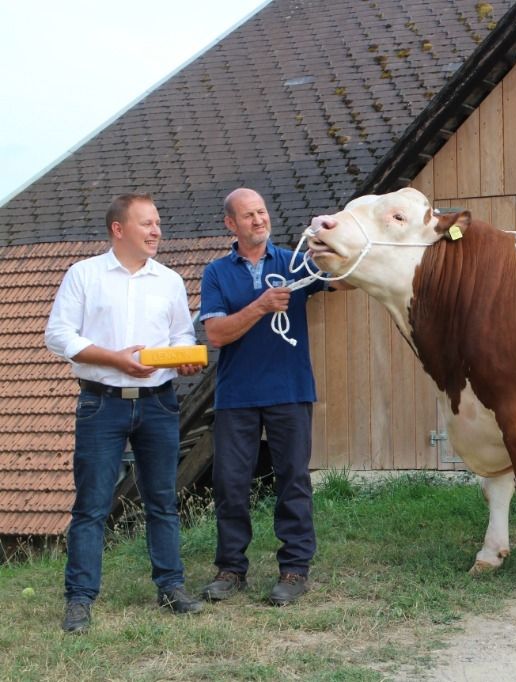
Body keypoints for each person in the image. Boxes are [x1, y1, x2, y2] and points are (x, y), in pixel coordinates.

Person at [45, 193, 205, 634]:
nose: (157, 231)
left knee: (163, 502)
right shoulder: (84, 275)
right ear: (119, 229)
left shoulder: (169, 280)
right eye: (147, 224)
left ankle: (171, 587)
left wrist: (183, 358)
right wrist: (116, 359)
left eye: (158, 223)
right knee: (92, 506)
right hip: (101, 402)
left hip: (158, 402)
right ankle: (79, 601)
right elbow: (57, 335)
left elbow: (180, 335)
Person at [198, 187, 331, 606]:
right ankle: (231, 569)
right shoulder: (216, 272)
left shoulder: (294, 261)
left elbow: (344, 282)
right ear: (230, 224)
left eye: (262, 212)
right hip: (236, 395)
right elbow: (216, 334)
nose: (259, 220)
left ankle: (294, 570)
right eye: (248, 215)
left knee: (293, 479)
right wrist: (260, 306)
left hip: (290, 390)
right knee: (231, 484)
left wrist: (332, 239)